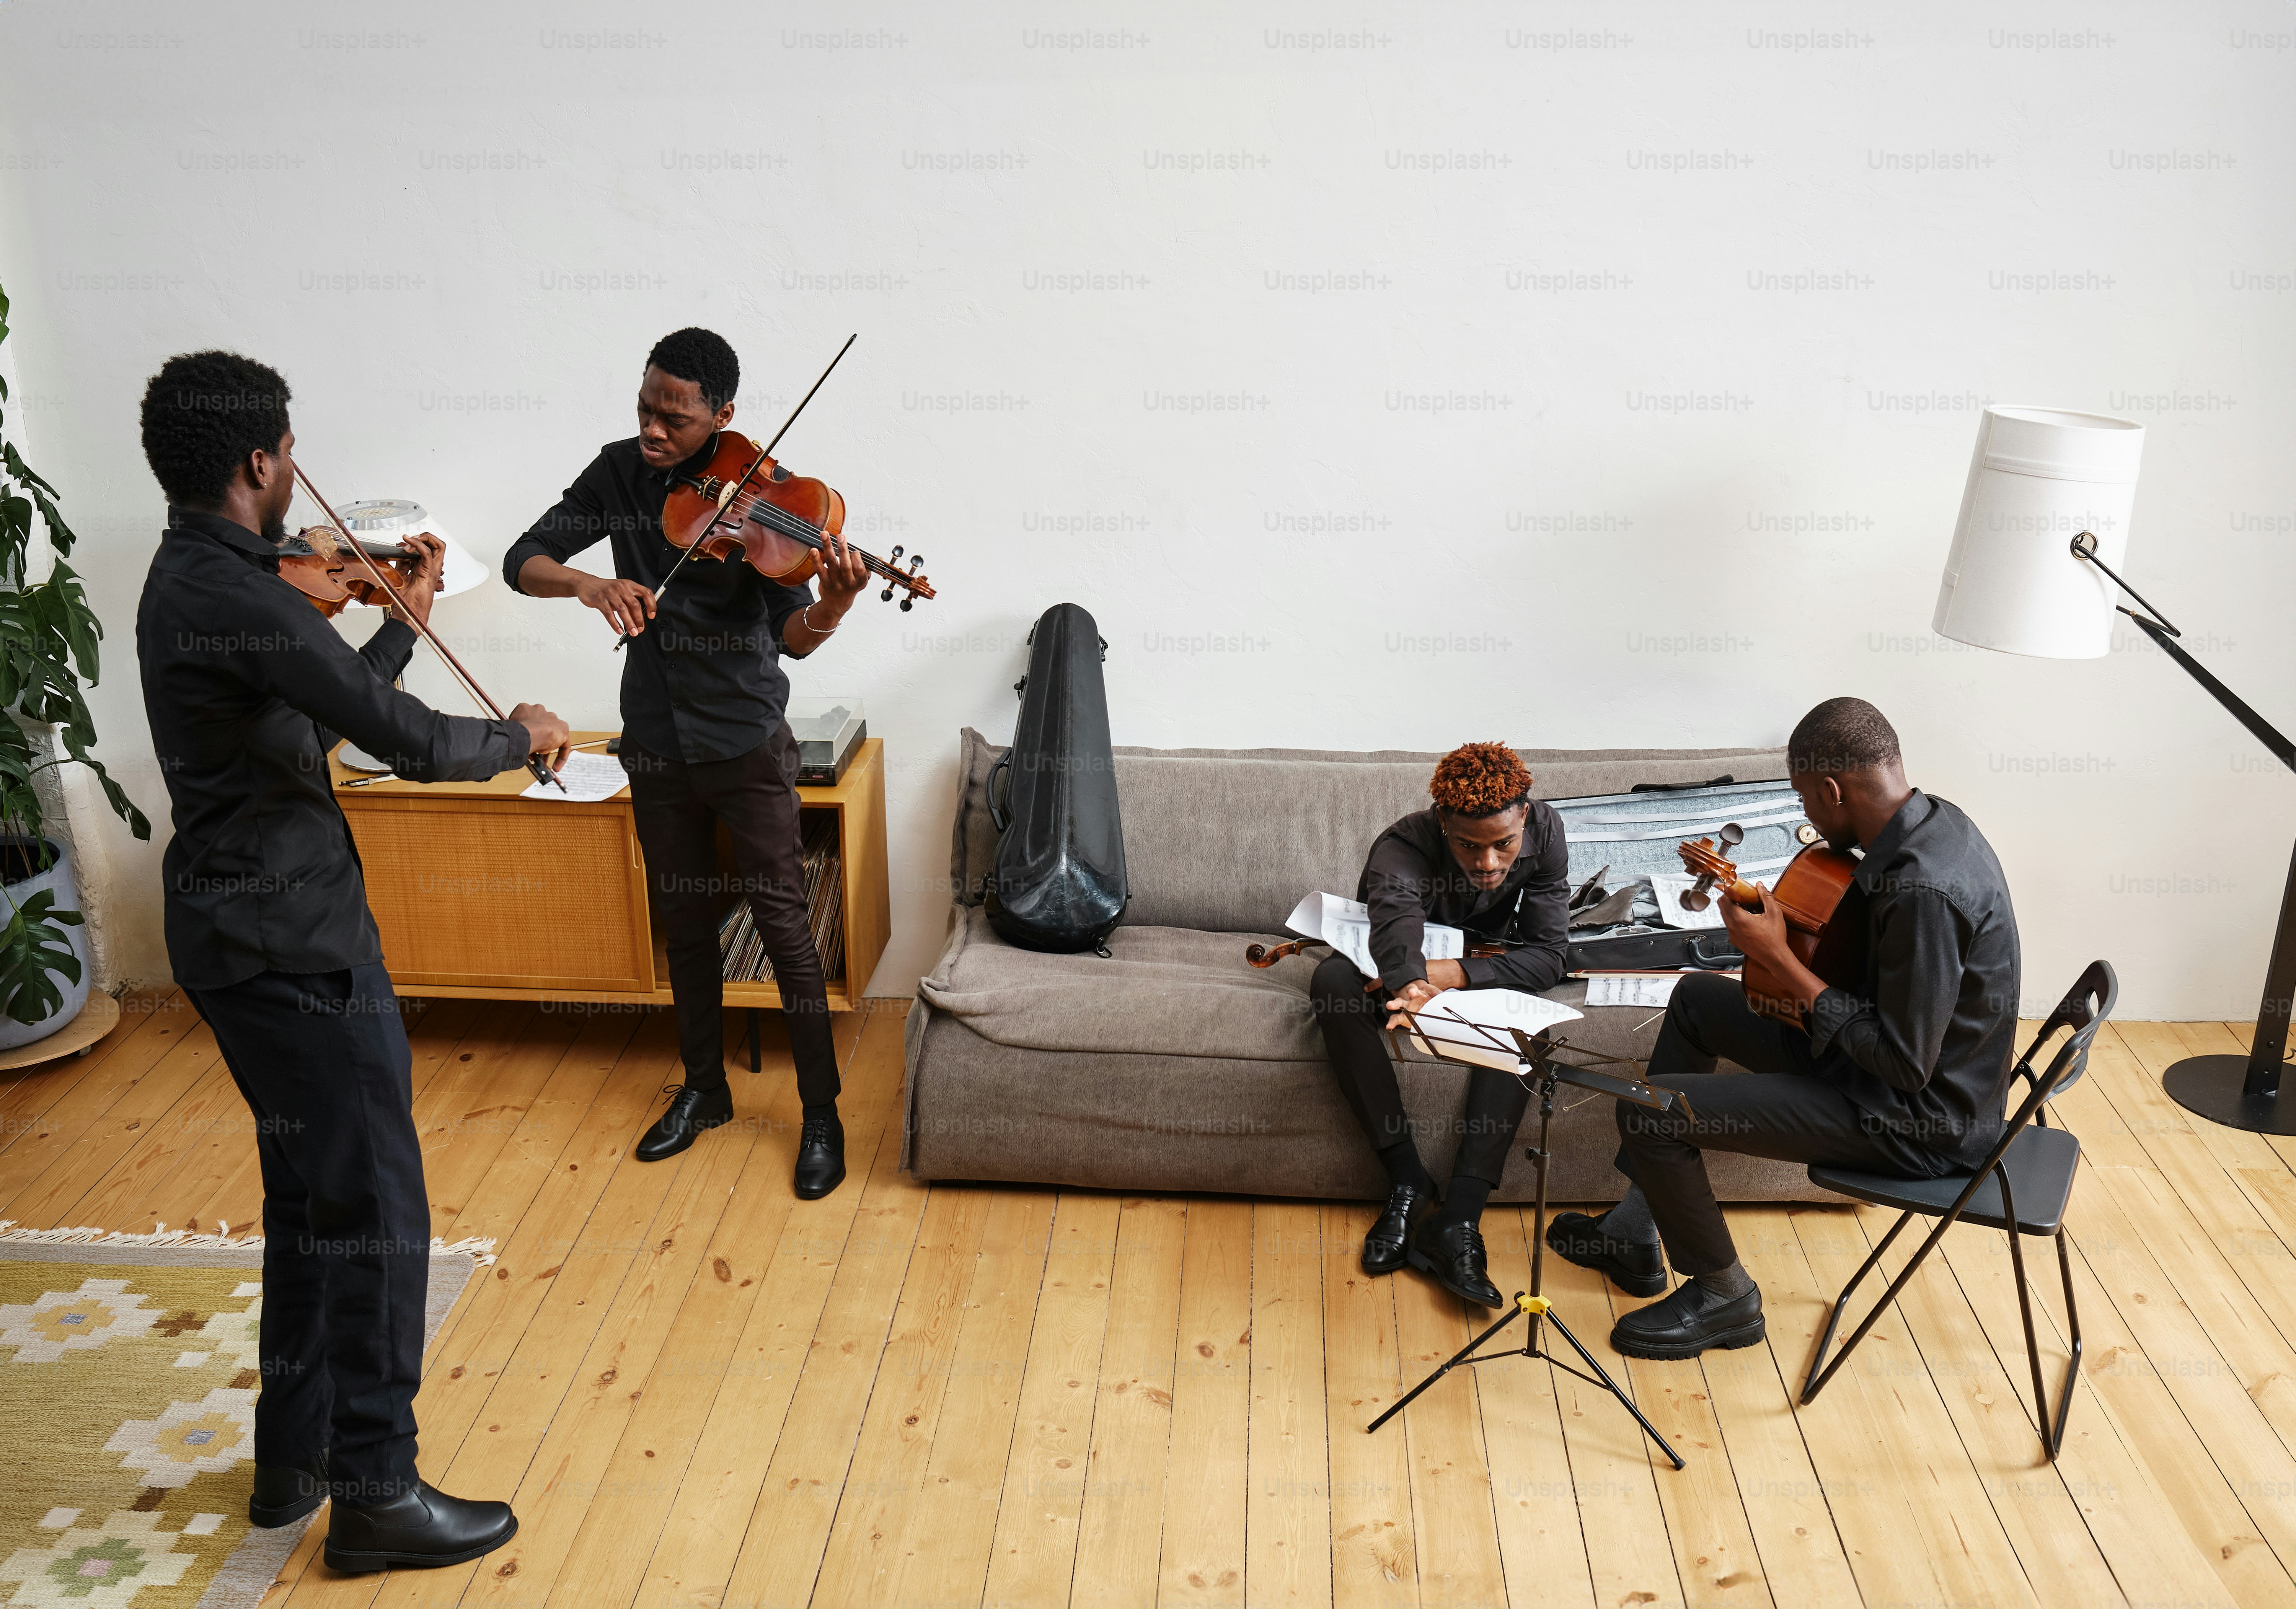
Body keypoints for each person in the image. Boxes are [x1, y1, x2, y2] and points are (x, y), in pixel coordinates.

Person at [136, 351, 571, 1569]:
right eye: (286, 458)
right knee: (375, 1210)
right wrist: (525, 733)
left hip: (229, 942)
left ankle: (295, 1458)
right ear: (259, 462)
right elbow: (417, 746)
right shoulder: (261, 596)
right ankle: (378, 1491)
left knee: (309, 1200)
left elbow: (308, 718)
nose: (293, 481)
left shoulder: (190, 582)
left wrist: (400, 633)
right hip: (298, 949)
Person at [502, 328, 866, 1197]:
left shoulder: (773, 504)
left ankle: (822, 1112)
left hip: (743, 739)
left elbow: (795, 639)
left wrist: (838, 605)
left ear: (723, 416)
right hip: (656, 734)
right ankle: (705, 1091)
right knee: (686, 925)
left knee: (785, 928)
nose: (655, 432)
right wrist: (589, 585)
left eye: (676, 418)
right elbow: (526, 559)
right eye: (645, 409)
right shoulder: (619, 472)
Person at [1548, 697, 2021, 1360]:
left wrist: (1774, 957)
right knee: (1696, 998)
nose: (1805, 815)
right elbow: (1867, 973)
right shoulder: (1932, 824)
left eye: (1804, 799)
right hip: (1877, 1070)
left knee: (1652, 1113)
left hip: (1914, 1120)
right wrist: (1786, 932)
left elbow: (1903, 1062)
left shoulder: (1924, 892)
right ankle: (1634, 1231)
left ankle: (1724, 1298)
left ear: (1832, 788)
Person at [1308, 742, 1572, 1307]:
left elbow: (1550, 956)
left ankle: (1458, 1222)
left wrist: (1451, 974)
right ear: (1442, 823)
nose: (1488, 864)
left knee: (1533, 1024)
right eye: (1468, 846)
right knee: (1332, 984)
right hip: (1394, 966)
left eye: (1504, 844)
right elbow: (1395, 929)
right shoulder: (1402, 846)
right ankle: (1406, 1176)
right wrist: (1409, 981)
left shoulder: (1548, 832)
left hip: (1475, 968)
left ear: (1525, 816)